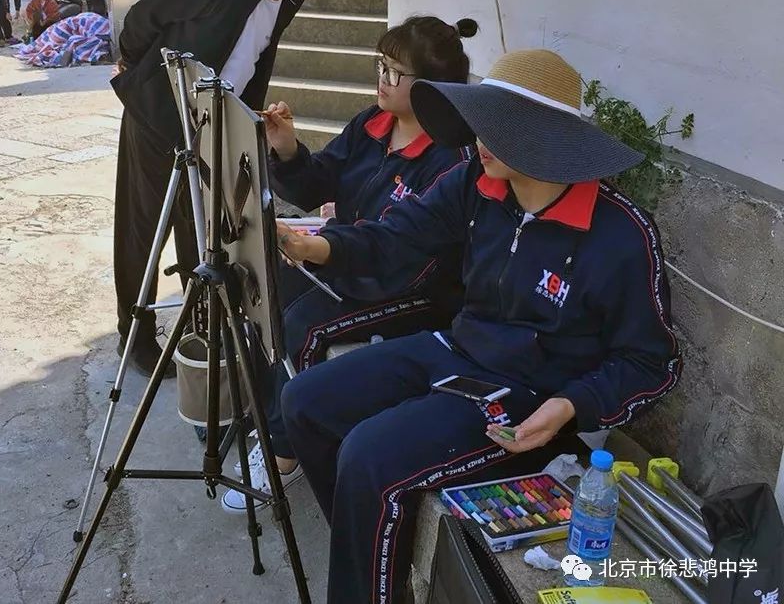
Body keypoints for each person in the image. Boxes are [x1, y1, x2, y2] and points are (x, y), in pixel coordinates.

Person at [277, 49, 683, 604]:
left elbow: (651, 362)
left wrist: (571, 406)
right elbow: (396, 235)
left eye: (498, 127)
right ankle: (367, 556)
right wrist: (311, 245)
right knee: (305, 400)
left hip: (530, 396)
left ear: (542, 137)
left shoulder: (618, 234)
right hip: (457, 349)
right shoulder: (477, 182)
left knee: (369, 455)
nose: (477, 139)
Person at [221, 15, 479, 514]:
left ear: (432, 87)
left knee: (304, 326)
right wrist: (287, 147)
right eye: (380, 66)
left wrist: (326, 249)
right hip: (346, 260)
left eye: (394, 73)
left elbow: (404, 247)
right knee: (258, 285)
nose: (381, 79)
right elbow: (317, 184)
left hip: (408, 286)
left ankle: (285, 452)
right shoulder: (372, 123)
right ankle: (266, 413)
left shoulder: (450, 158)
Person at [110, 0, 340, 377]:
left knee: (205, 227)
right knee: (146, 227)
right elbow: (143, 18)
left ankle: (205, 330)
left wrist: (246, 114)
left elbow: (254, 53)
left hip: (215, 122)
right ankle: (133, 336)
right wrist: (137, 68)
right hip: (158, 114)